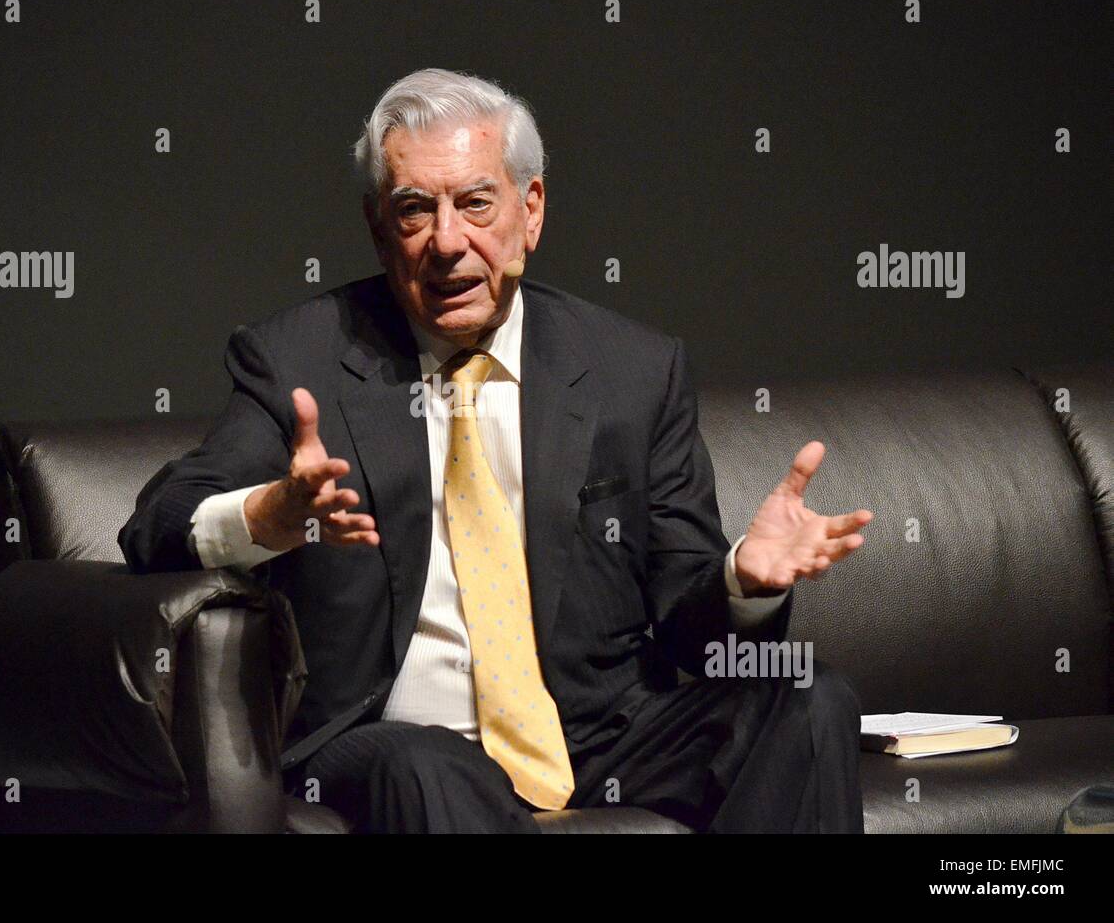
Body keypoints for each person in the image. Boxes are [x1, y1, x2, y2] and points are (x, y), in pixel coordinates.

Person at [119, 67, 872, 833]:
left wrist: (744, 581)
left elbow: (689, 623)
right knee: (428, 767)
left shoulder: (632, 369)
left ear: (530, 211)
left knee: (808, 698)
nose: (448, 242)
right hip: (390, 739)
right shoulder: (299, 359)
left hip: (596, 736)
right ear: (380, 231)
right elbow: (157, 522)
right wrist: (267, 514)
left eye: (476, 202)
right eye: (415, 211)